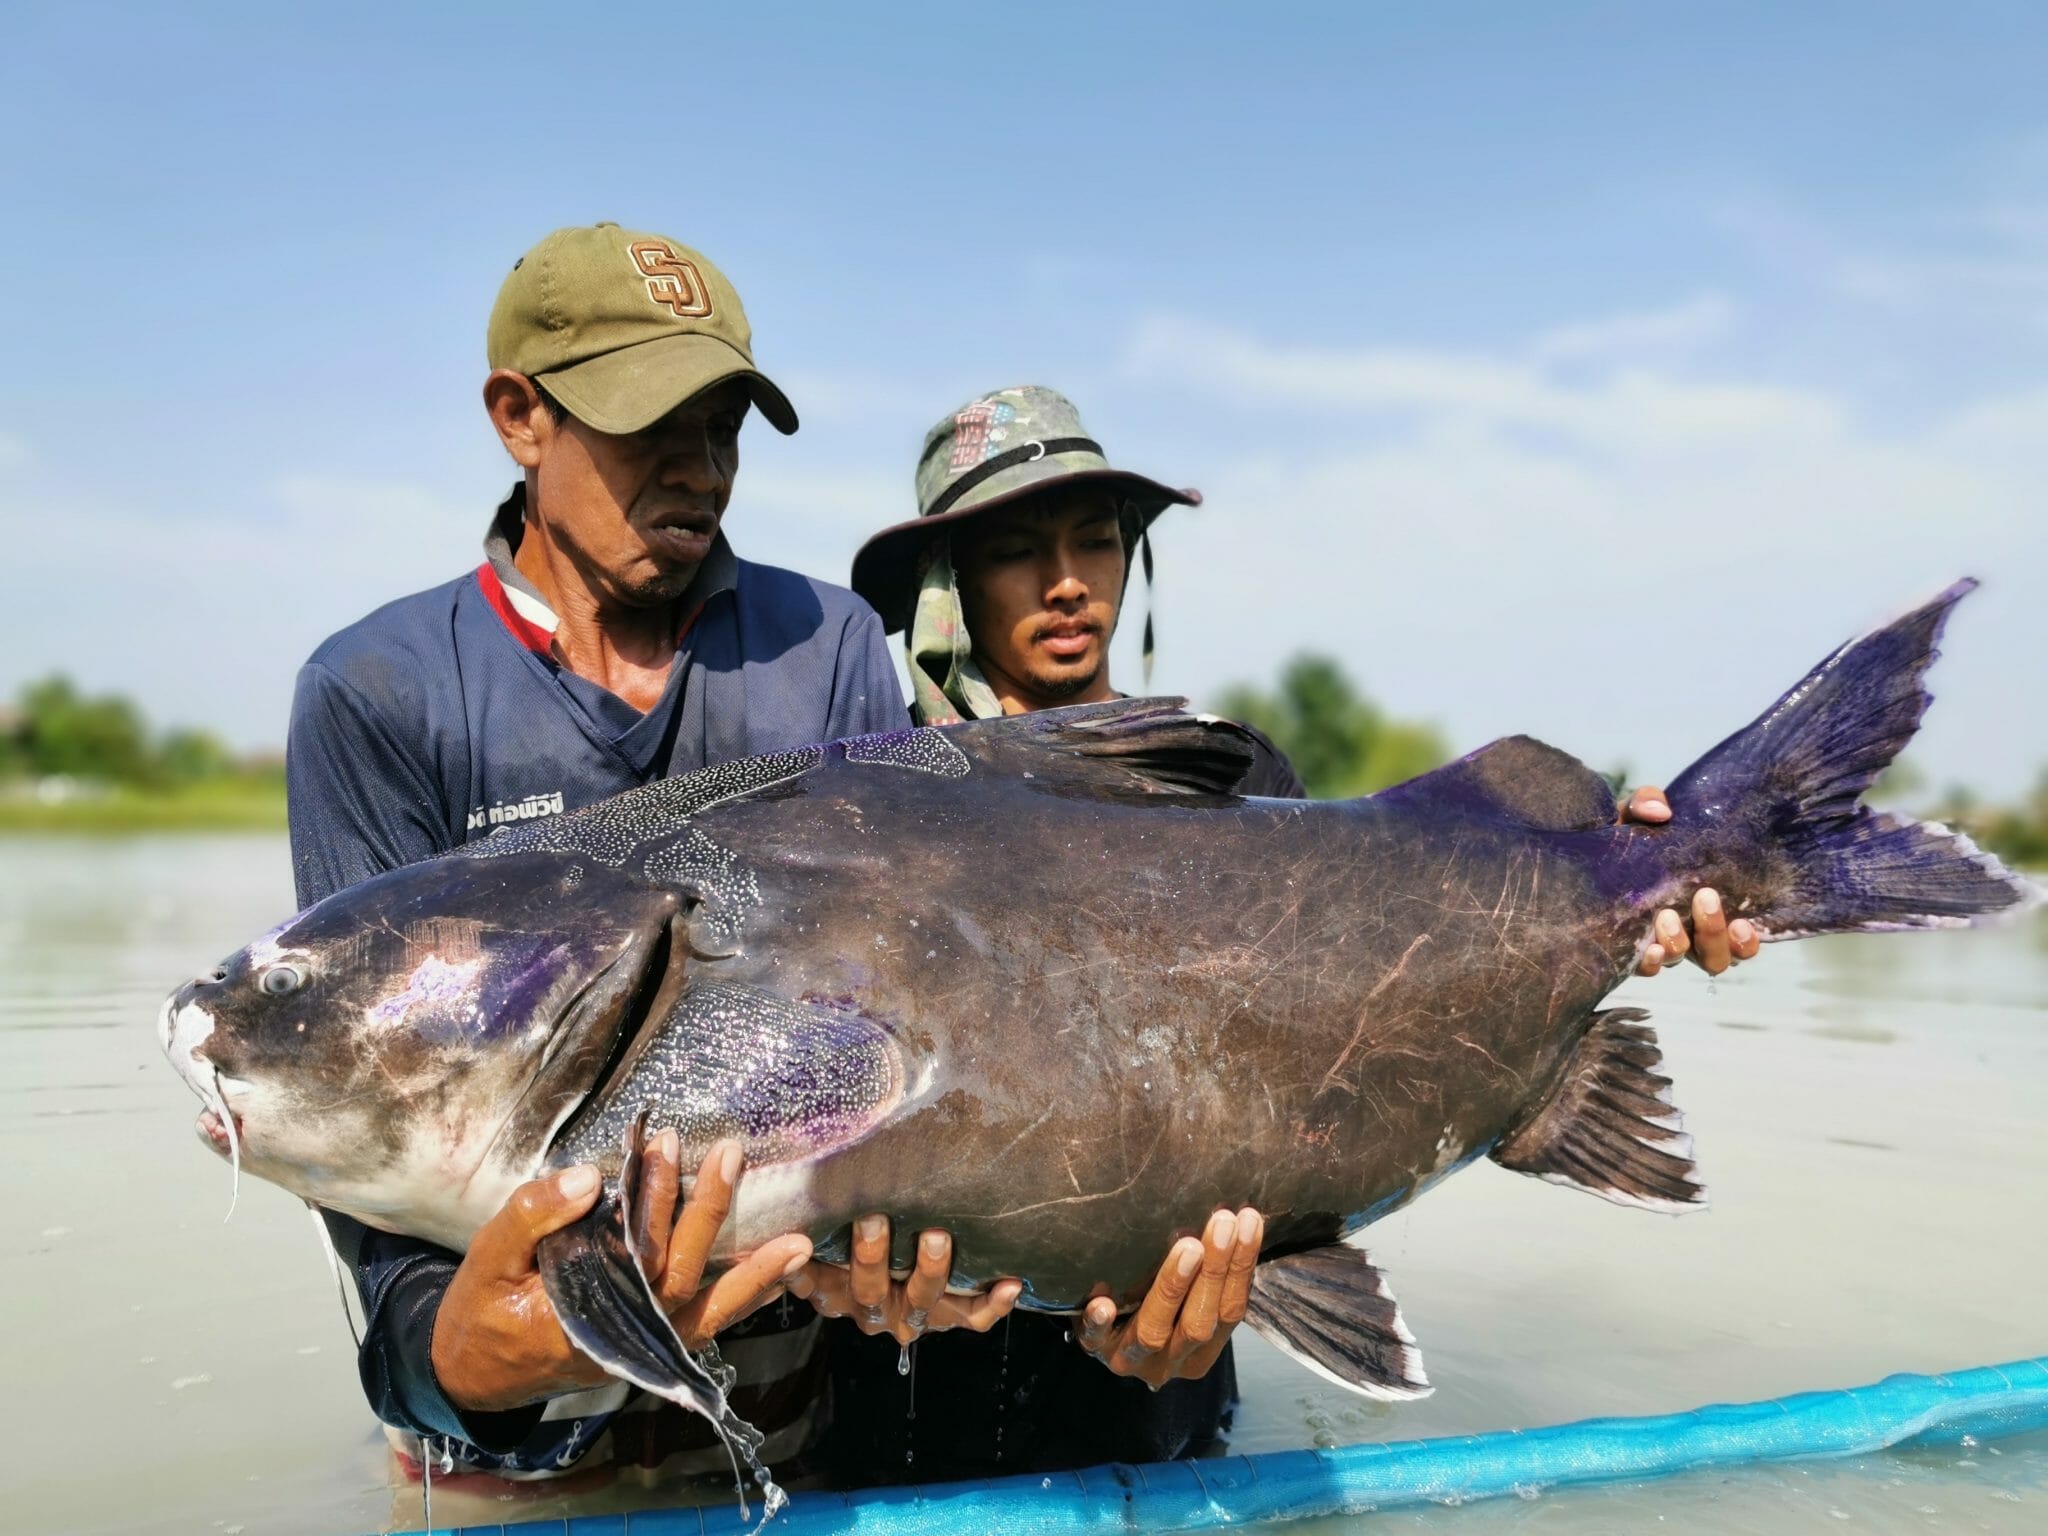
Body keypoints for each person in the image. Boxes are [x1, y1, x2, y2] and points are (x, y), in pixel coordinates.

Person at [839, 384, 1762, 1478]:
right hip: (892, 1442)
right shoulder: (863, 812)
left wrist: (1619, 875)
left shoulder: (1233, 778)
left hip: (1170, 1430)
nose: (1067, 582)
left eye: (1097, 539)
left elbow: (1361, 1022)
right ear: (946, 584)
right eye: (1014, 550)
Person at [287, 222, 930, 1484]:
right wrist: (454, 1360)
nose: (697, 470)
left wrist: (917, 1257)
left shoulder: (832, 651)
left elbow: (905, 1013)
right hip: (506, 1456)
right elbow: (369, 1099)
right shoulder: (383, 691)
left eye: (723, 429)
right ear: (519, 417)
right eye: (650, 425)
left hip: (782, 1407)